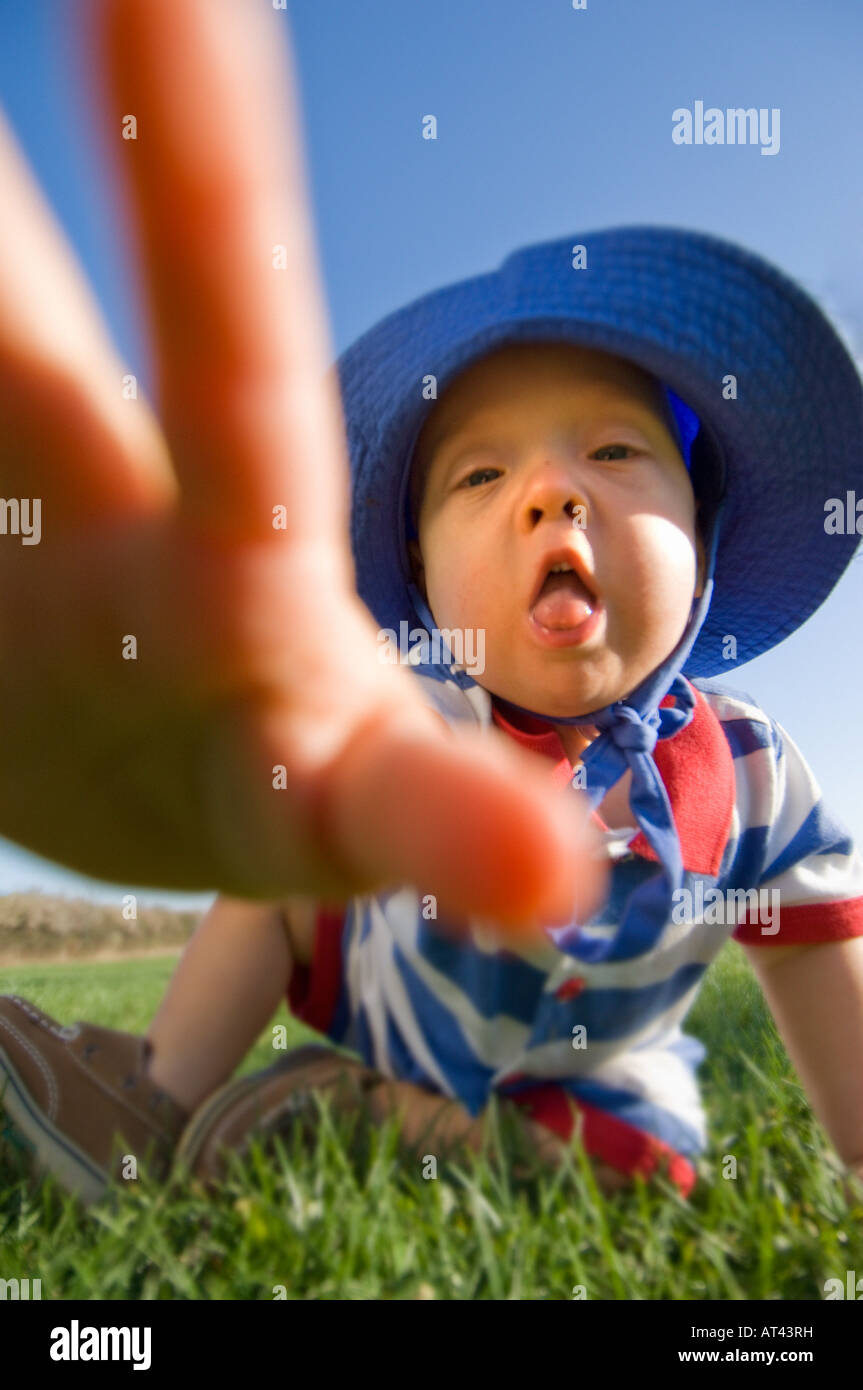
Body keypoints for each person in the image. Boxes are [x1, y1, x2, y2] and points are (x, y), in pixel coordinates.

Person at [3, 2, 863, 1206]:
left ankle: (371, 1121)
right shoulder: (406, 718)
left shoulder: (758, 772)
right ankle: (149, 1102)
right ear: (414, 568)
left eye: (615, 452)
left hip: (591, 1077)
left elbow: (824, 969)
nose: (551, 493)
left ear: (705, 531)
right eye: (479, 475)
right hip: (401, 984)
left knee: (653, 1158)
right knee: (297, 827)